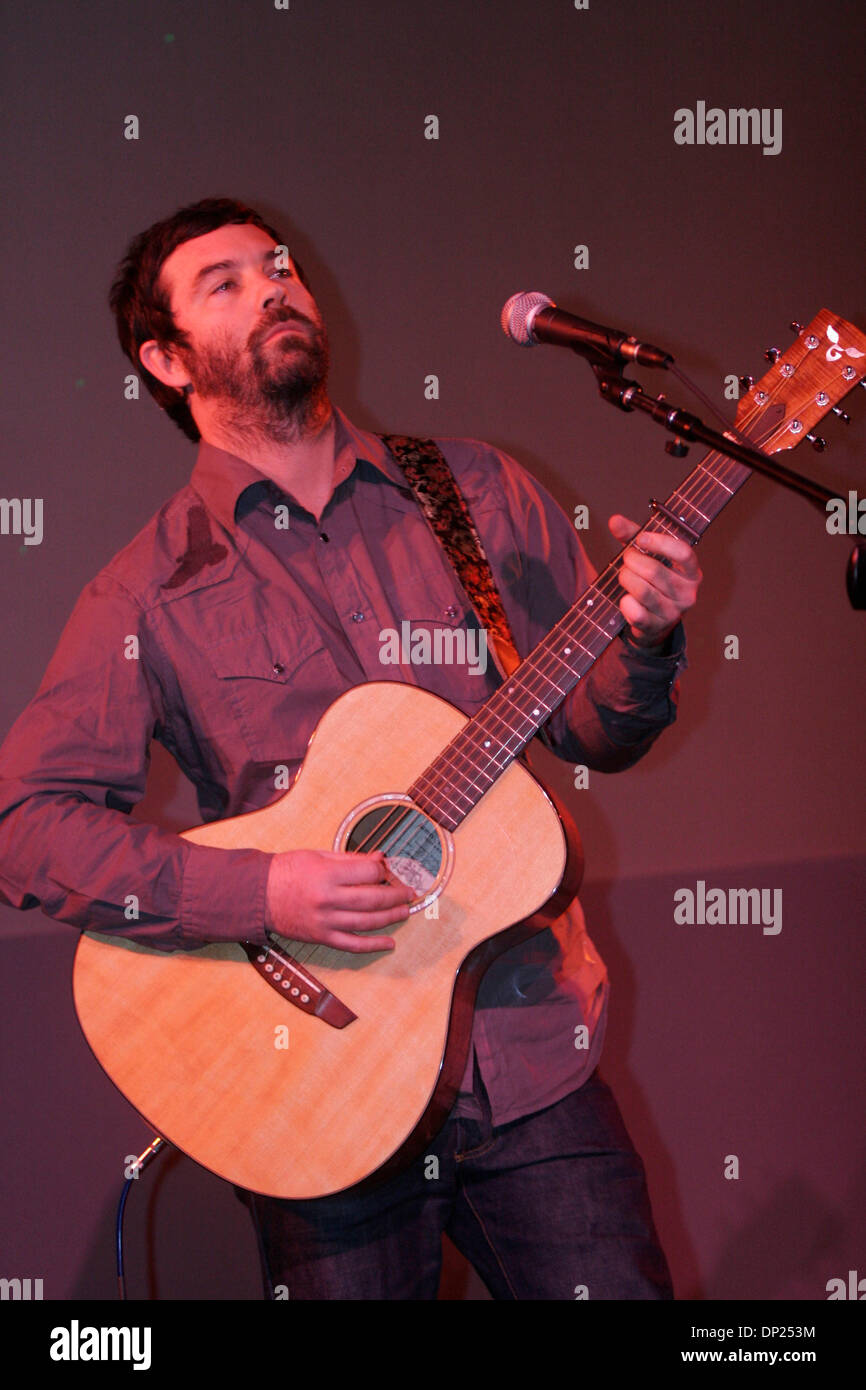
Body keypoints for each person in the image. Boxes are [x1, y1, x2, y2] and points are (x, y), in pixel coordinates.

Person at [0, 197, 701, 1300]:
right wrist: (259, 888)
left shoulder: (473, 492)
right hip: (311, 1086)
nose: (273, 286)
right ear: (167, 359)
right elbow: (29, 831)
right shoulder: (146, 590)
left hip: (524, 1052)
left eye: (277, 267)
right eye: (223, 282)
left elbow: (590, 730)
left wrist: (647, 636)